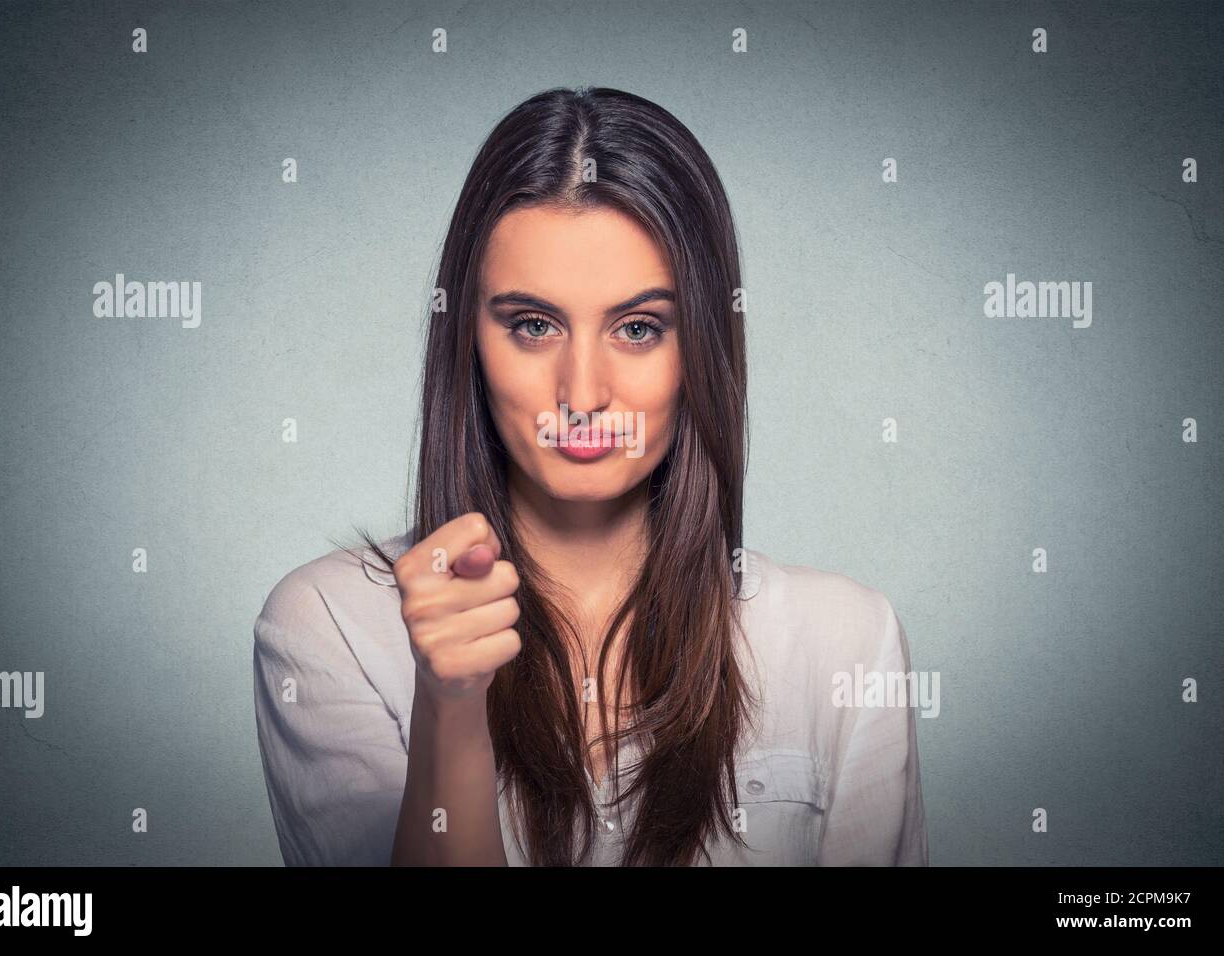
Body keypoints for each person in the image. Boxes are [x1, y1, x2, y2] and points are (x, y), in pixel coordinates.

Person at [252, 86, 928, 867]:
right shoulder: (327, 625)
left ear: (701, 347)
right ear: (467, 339)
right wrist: (450, 710)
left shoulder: (847, 644)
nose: (581, 397)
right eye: (533, 326)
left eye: (638, 328)